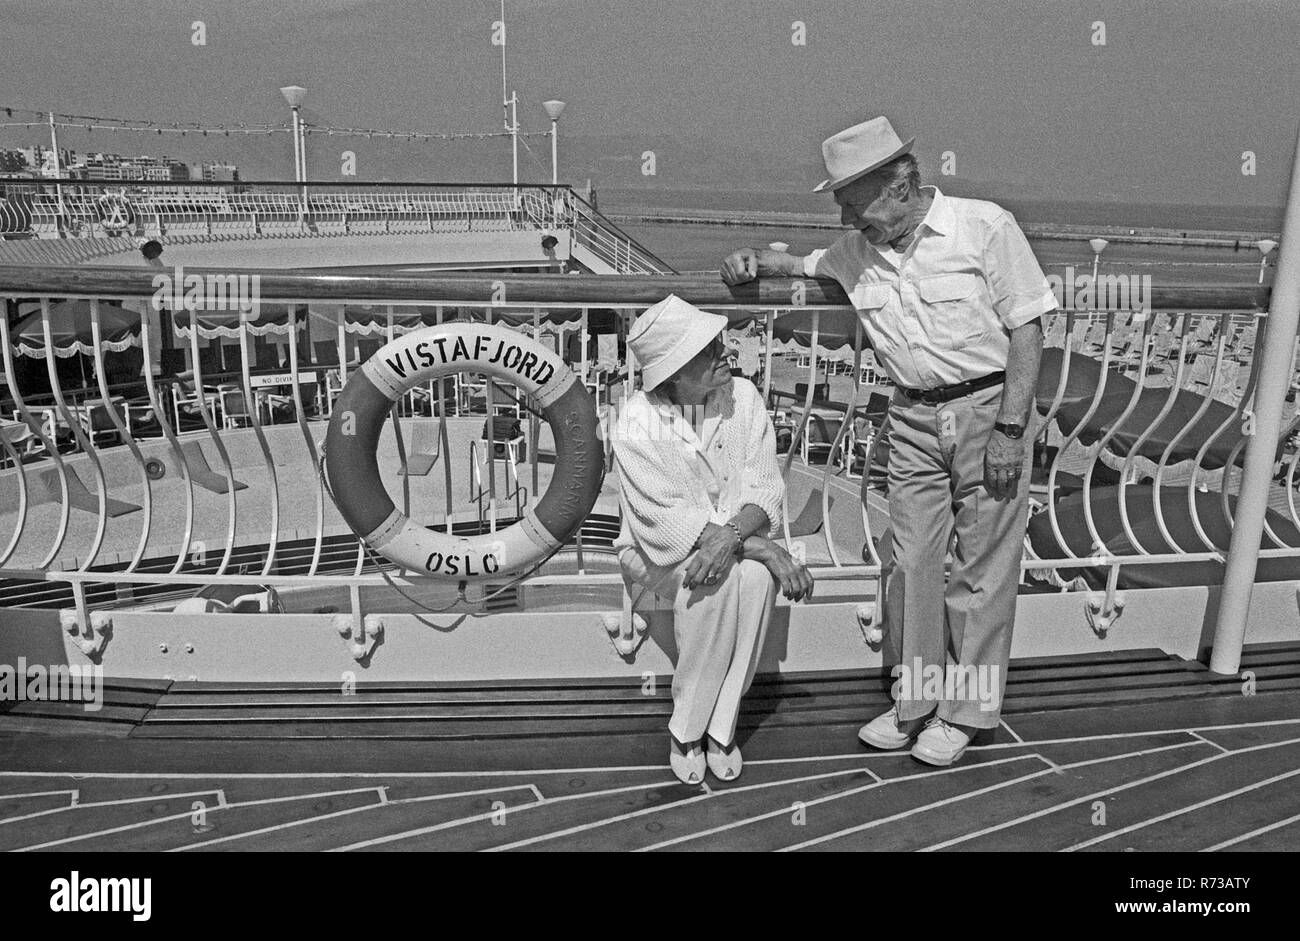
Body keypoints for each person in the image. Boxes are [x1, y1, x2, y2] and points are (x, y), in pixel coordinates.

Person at [721, 116, 1056, 766]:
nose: (846, 214)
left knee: (984, 570)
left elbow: (1027, 327)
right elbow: (803, 263)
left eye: (853, 199)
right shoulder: (857, 250)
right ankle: (916, 703)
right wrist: (757, 260)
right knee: (909, 564)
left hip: (988, 410)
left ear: (900, 185)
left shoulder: (985, 227)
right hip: (911, 416)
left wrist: (1013, 427)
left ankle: (965, 714)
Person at [613, 294, 814, 785]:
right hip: (653, 552)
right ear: (675, 373)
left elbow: (765, 486)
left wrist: (737, 540)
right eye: (709, 350)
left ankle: (721, 726)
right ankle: (687, 729)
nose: (727, 353)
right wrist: (763, 546)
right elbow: (670, 525)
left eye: (721, 343)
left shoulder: (744, 398)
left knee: (755, 583)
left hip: (727, 541)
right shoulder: (635, 422)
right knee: (718, 583)